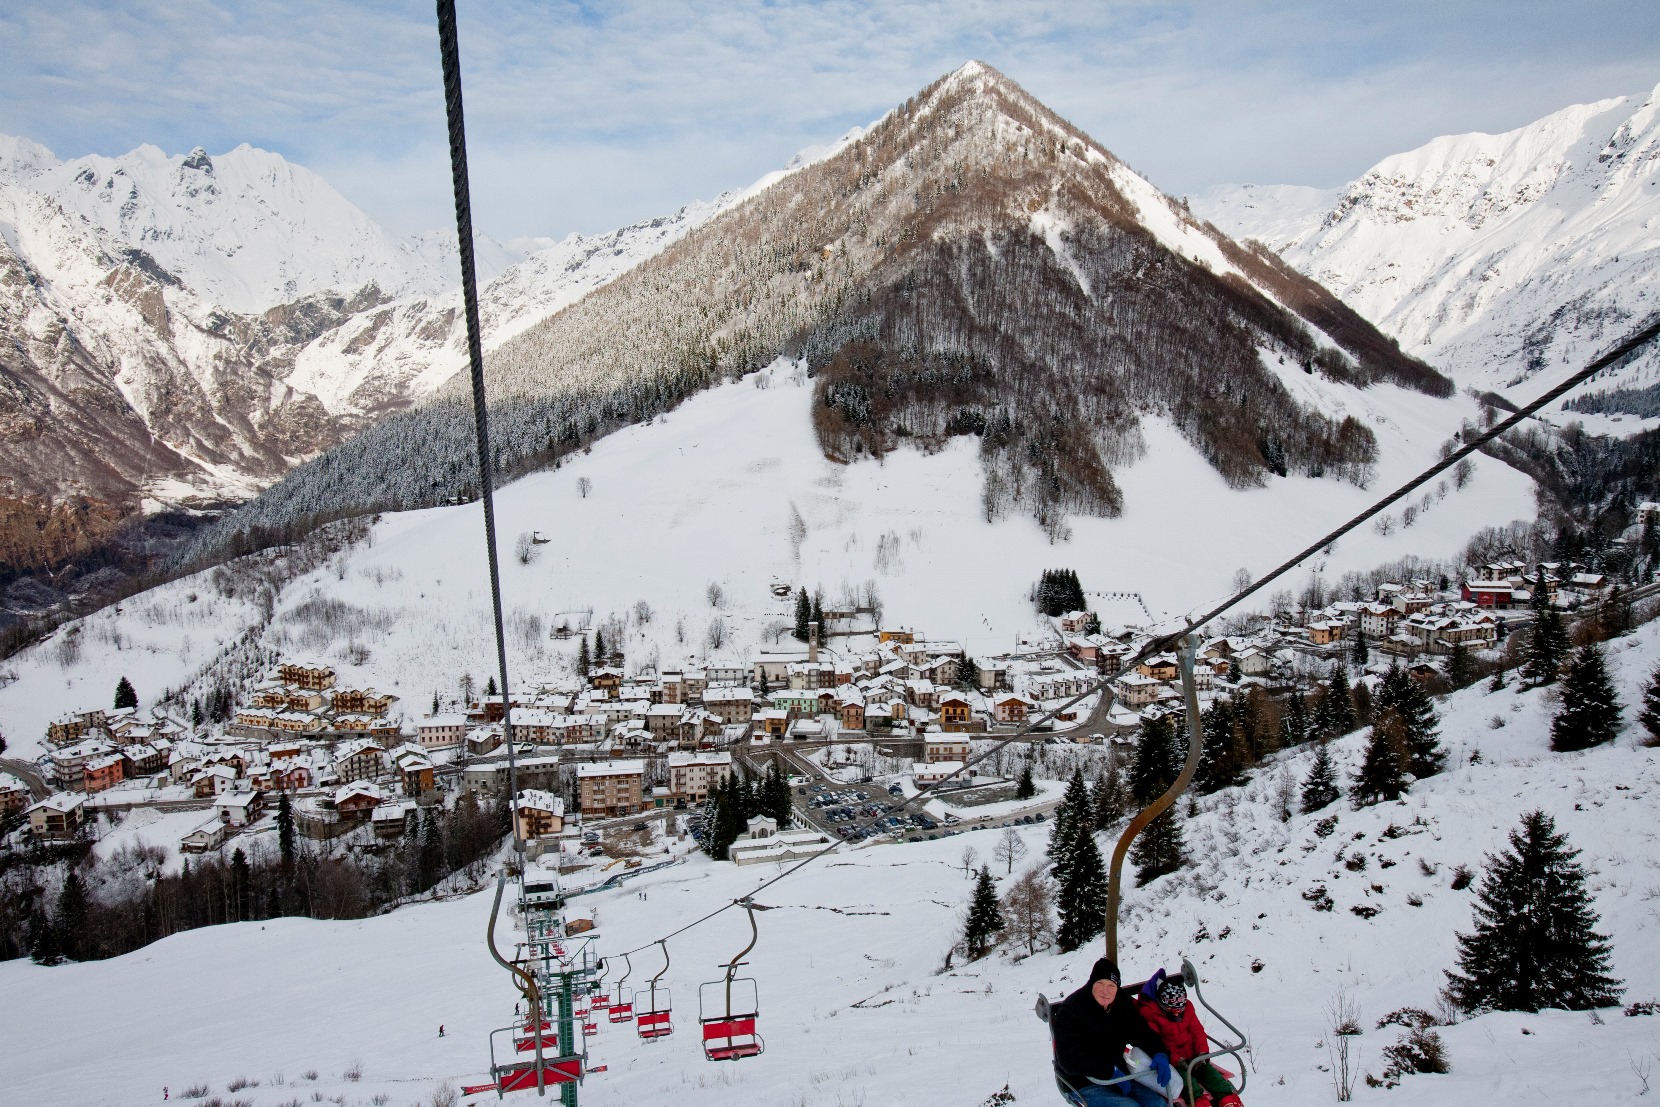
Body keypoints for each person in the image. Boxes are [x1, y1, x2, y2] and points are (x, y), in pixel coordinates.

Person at [1050, 957, 1175, 1106]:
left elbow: (1140, 1031)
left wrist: (1159, 1052)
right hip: (1083, 1081)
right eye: (1100, 984)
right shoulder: (1071, 1010)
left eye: (1111, 986)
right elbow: (1068, 1059)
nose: (1105, 991)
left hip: (1118, 1074)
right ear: (1091, 984)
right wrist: (1108, 1071)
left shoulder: (1121, 1003)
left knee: (1157, 1104)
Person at [1134, 970, 1242, 1107]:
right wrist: (1176, 1060)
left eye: (1180, 1008)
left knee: (1213, 1077)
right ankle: (1199, 1102)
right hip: (1174, 1061)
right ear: (1162, 1004)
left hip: (1195, 1056)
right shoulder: (1150, 1013)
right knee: (1187, 1082)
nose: (1177, 1012)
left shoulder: (1188, 1008)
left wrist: (1202, 1052)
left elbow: (1197, 1031)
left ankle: (1229, 1100)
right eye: (1172, 1009)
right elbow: (1154, 1042)